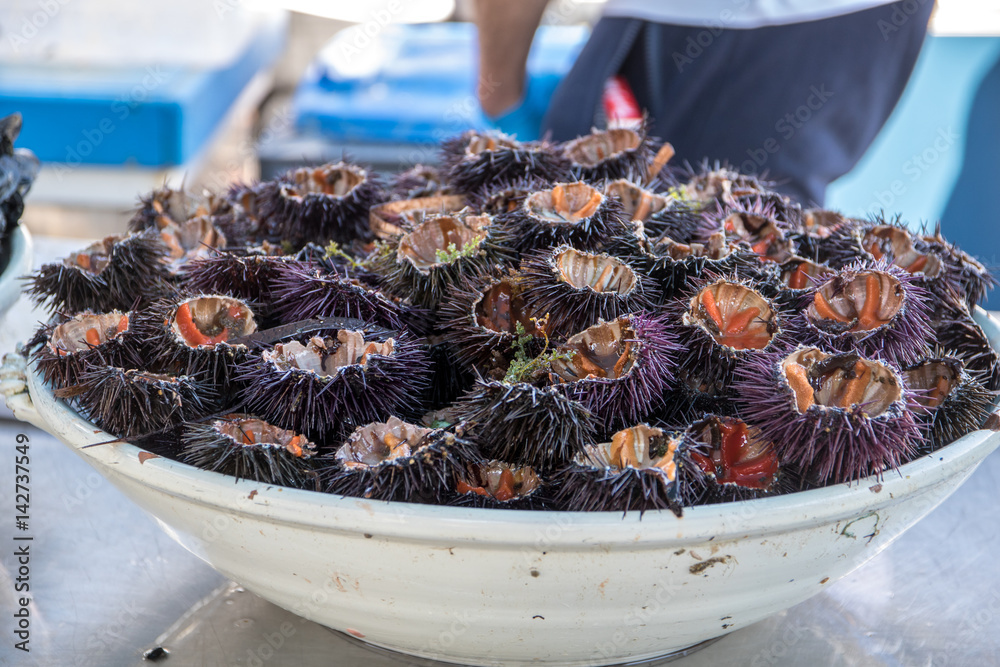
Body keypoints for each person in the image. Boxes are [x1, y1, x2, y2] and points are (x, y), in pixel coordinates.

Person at [473, 0, 935, 206]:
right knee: (760, 226)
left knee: (705, 243)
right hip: (876, 21)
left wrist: (500, 90)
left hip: (717, 20)